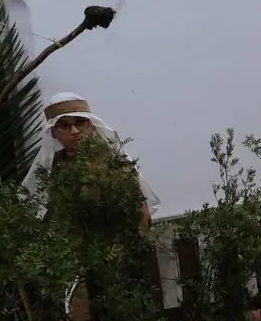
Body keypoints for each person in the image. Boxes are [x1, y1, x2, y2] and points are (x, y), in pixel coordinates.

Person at [25, 92, 160, 231]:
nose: (74, 131)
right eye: (64, 125)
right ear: (53, 133)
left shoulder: (113, 162)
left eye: (79, 122)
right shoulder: (51, 167)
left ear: (91, 125)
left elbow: (141, 216)